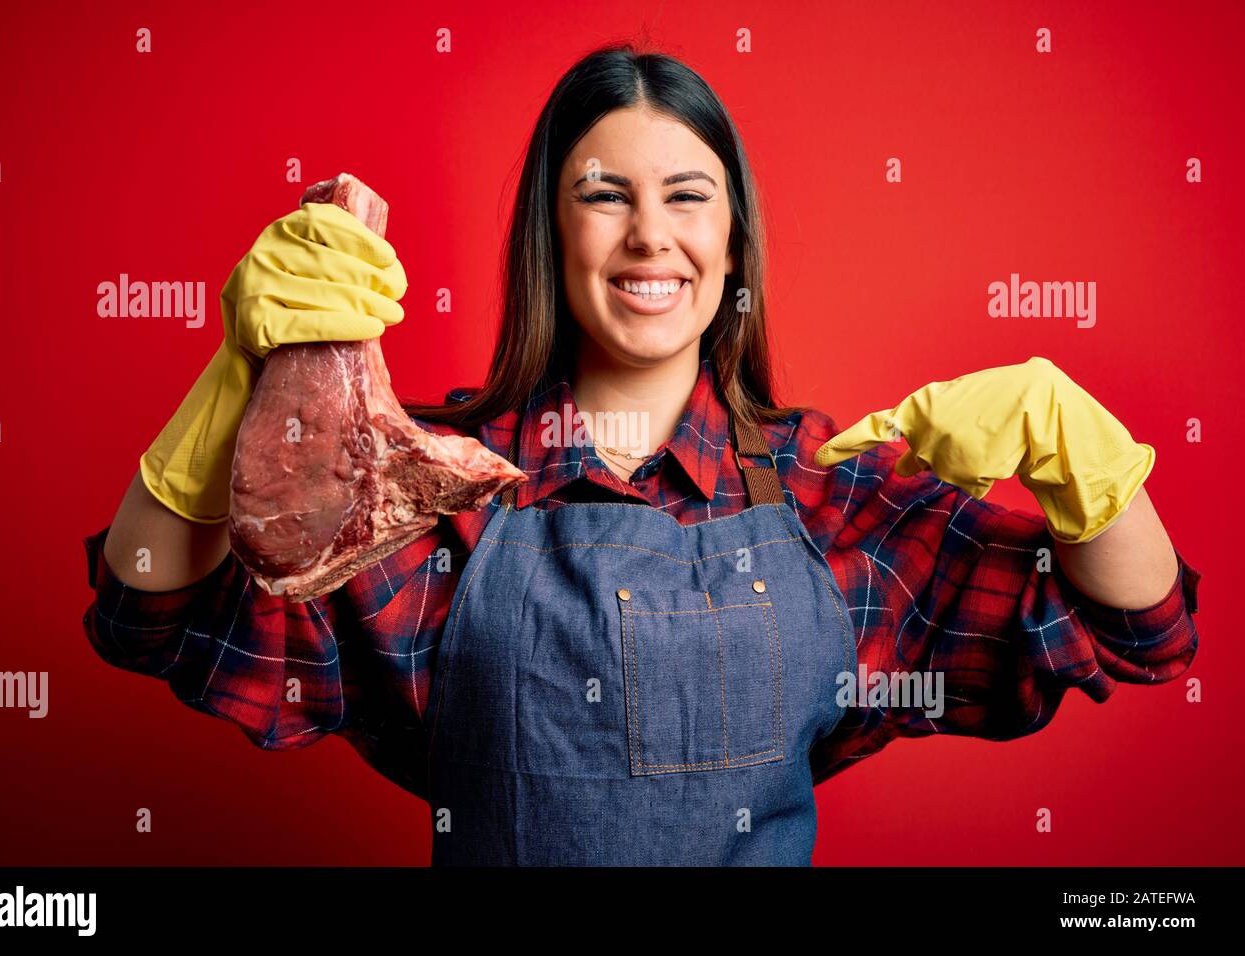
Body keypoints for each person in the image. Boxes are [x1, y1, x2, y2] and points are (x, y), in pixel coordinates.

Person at [82, 44, 1201, 866]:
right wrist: (241, 390)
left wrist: (1074, 442)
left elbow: (1139, 628)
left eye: (687, 196)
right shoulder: (429, 483)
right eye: (603, 196)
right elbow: (154, 615)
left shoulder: (823, 486)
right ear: (549, 233)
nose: (649, 236)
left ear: (730, 240)